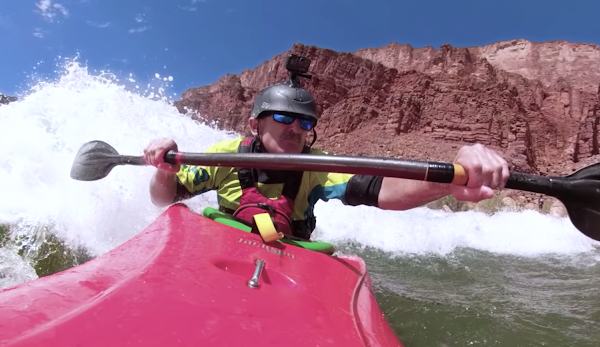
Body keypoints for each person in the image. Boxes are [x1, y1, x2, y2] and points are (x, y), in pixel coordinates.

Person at [144, 56, 509, 240]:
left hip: (292, 253)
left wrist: (448, 180)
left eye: (305, 123)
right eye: (284, 119)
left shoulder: (319, 164)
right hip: (222, 244)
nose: (296, 130)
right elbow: (165, 198)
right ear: (254, 124)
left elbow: (384, 190)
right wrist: (165, 167)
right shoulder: (224, 153)